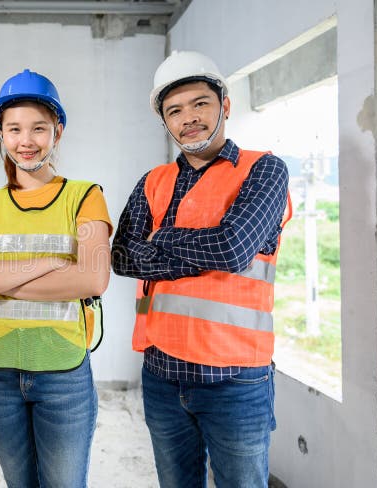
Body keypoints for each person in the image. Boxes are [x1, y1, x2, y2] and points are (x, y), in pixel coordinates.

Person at [111, 51, 291, 488]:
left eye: (200, 104)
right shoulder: (152, 182)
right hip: (162, 375)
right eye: (174, 110)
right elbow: (121, 257)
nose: (188, 117)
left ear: (225, 105)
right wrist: (198, 246)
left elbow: (233, 248)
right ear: (165, 122)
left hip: (235, 380)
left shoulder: (263, 170)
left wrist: (163, 238)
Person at [0, 69, 112, 487]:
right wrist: (49, 263)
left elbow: (93, 280)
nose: (27, 141)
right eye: (14, 129)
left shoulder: (85, 195)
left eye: (38, 128)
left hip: (63, 372)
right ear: (0, 135)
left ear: (57, 131)